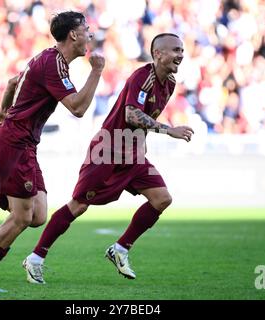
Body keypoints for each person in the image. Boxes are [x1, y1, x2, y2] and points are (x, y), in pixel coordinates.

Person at [0, 11, 105, 292]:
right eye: (86, 29)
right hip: (15, 143)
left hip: (23, 143)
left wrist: (4, 109)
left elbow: (13, 83)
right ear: (73, 35)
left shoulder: (48, 58)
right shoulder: (53, 64)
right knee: (21, 217)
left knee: (37, 215)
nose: (90, 33)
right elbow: (77, 108)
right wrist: (97, 71)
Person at [25, 33, 194, 283]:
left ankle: (121, 249)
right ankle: (35, 258)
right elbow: (132, 114)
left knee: (161, 199)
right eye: (175, 50)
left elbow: (141, 123)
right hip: (107, 151)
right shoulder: (142, 77)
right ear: (158, 54)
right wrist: (169, 130)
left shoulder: (169, 82)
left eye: (182, 50)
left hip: (134, 155)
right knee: (79, 205)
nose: (181, 55)